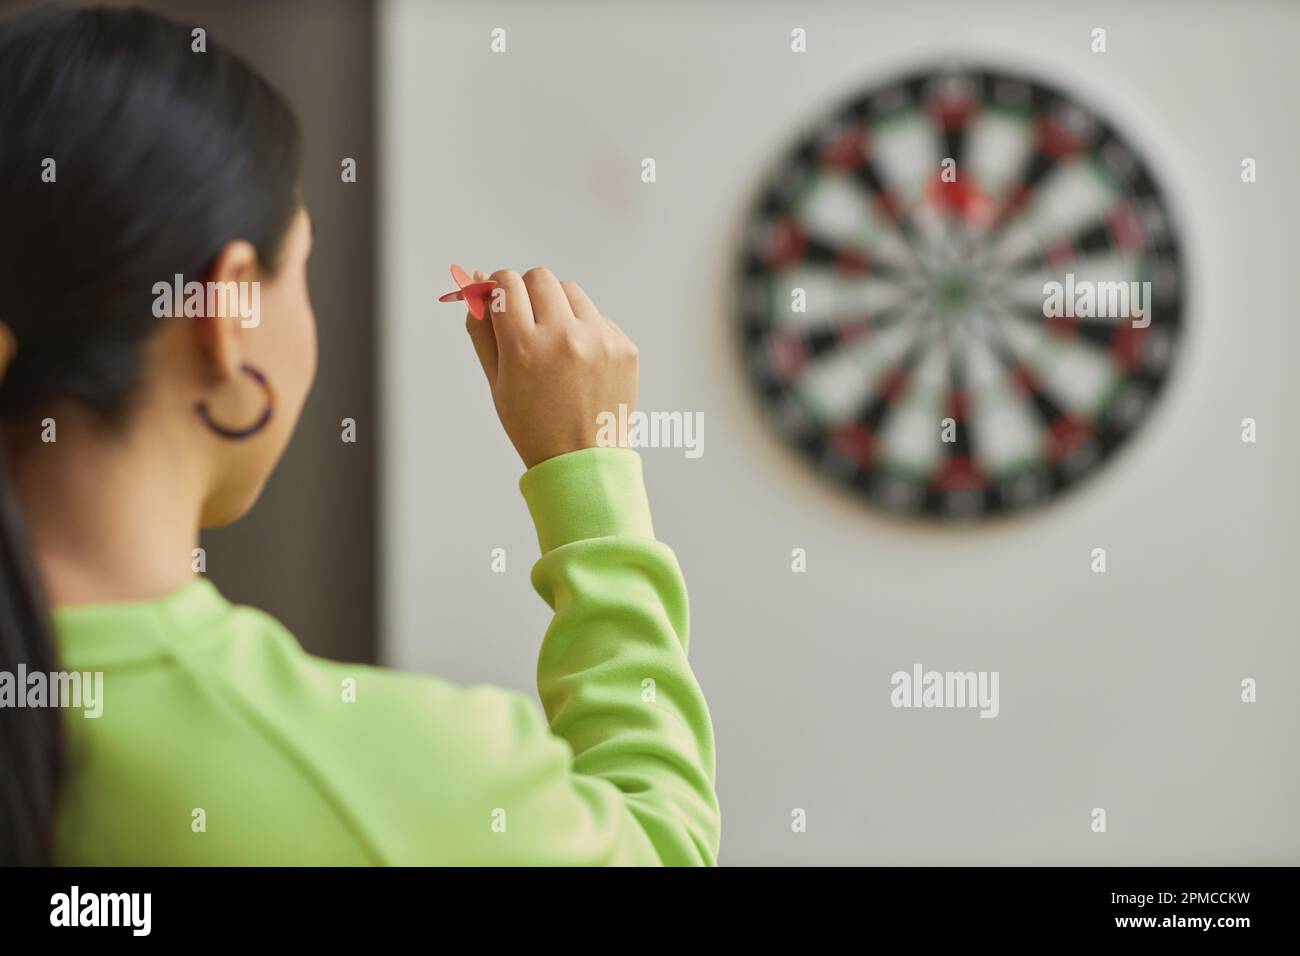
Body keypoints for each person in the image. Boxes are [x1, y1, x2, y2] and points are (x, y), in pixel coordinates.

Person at [0, 5, 718, 866]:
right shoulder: (404, 779)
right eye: (298, 267)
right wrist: (588, 477)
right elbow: (663, 845)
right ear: (224, 312)